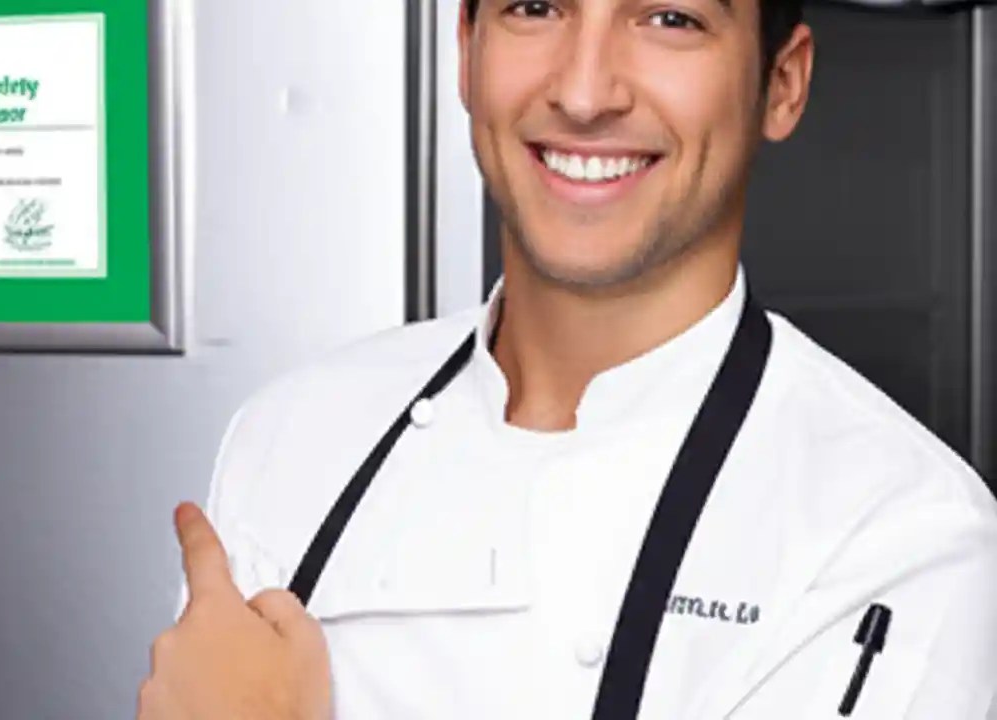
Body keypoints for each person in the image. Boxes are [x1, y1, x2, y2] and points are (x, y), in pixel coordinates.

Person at [138, 0, 997, 717]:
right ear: (467, 51)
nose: (584, 93)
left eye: (669, 18)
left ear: (782, 82)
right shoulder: (290, 438)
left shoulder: (903, 539)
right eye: (536, 7)